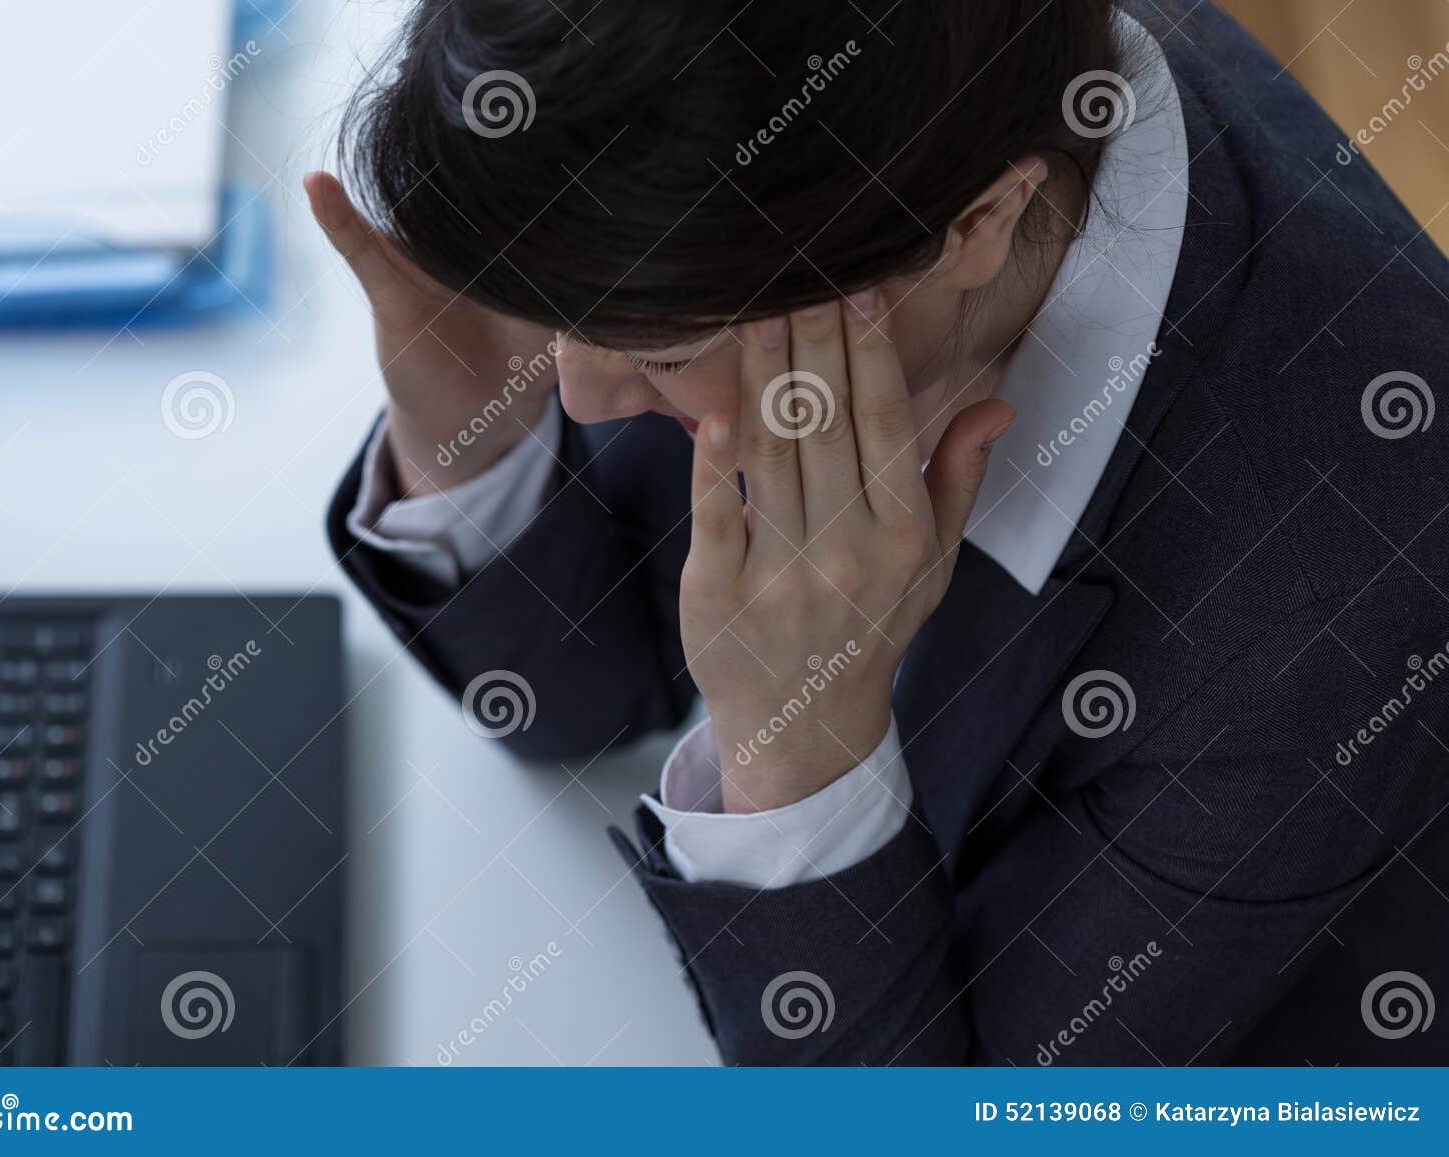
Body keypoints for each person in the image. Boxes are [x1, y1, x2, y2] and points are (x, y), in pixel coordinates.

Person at [312, 0, 1449, 1064]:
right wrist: (466, 421)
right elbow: (575, 694)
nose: (585, 397)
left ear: (977, 225)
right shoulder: (786, 200)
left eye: (649, 351)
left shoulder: (1338, 597)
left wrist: (793, 748)